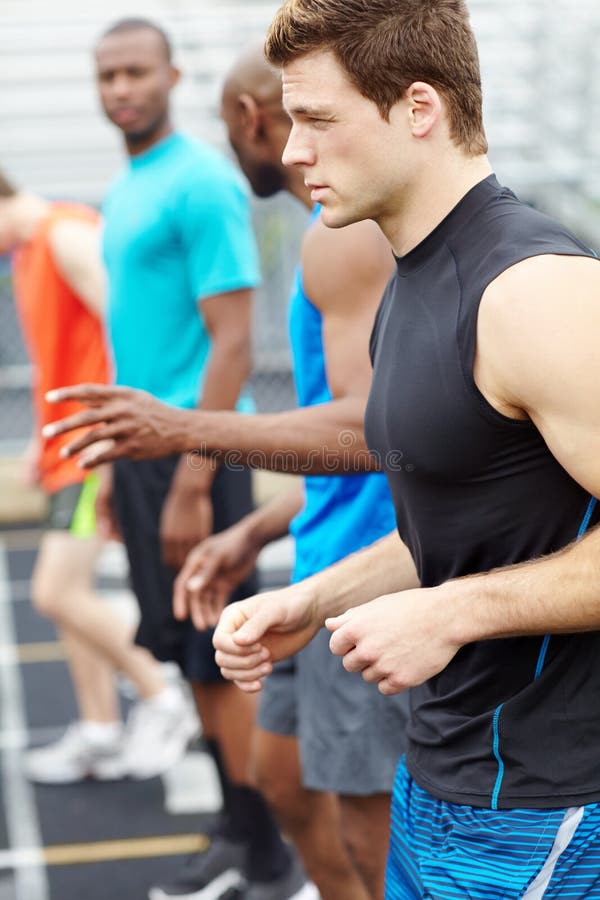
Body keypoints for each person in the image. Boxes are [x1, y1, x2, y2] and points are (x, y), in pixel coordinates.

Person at [205, 1, 600, 898]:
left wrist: (452, 614)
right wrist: (314, 599)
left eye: (317, 119)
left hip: (550, 809)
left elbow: (464, 581)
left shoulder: (532, 291)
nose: (292, 148)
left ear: (419, 108)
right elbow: (459, 522)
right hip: (443, 775)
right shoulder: (408, 276)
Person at [41, 44, 409, 900]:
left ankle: (269, 856)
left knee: (372, 832)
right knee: (281, 778)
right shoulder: (310, 231)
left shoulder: (334, 236)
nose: (290, 150)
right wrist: (252, 528)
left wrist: (190, 454)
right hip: (305, 534)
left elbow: (369, 431)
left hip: (356, 571)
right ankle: (259, 846)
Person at [90, 18, 305, 900]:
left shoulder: (203, 184)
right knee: (189, 657)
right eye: (106, 76)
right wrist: (117, 467)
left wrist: (189, 475)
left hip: (199, 450)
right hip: (148, 455)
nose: (119, 89)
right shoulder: (132, 184)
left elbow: (228, 344)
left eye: (136, 72)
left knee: (224, 652)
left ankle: (272, 852)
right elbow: (137, 340)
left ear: (172, 75)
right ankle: (242, 832)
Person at [0, 171, 192, 783]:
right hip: (65, 449)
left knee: (55, 592)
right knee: (65, 603)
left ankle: (162, 696)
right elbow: (58, 356)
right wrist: (39, 436)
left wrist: (111, 442)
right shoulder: (30, 250)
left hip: (93, 447)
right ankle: (101, 729)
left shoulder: (67, 234)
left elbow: (128, 331)